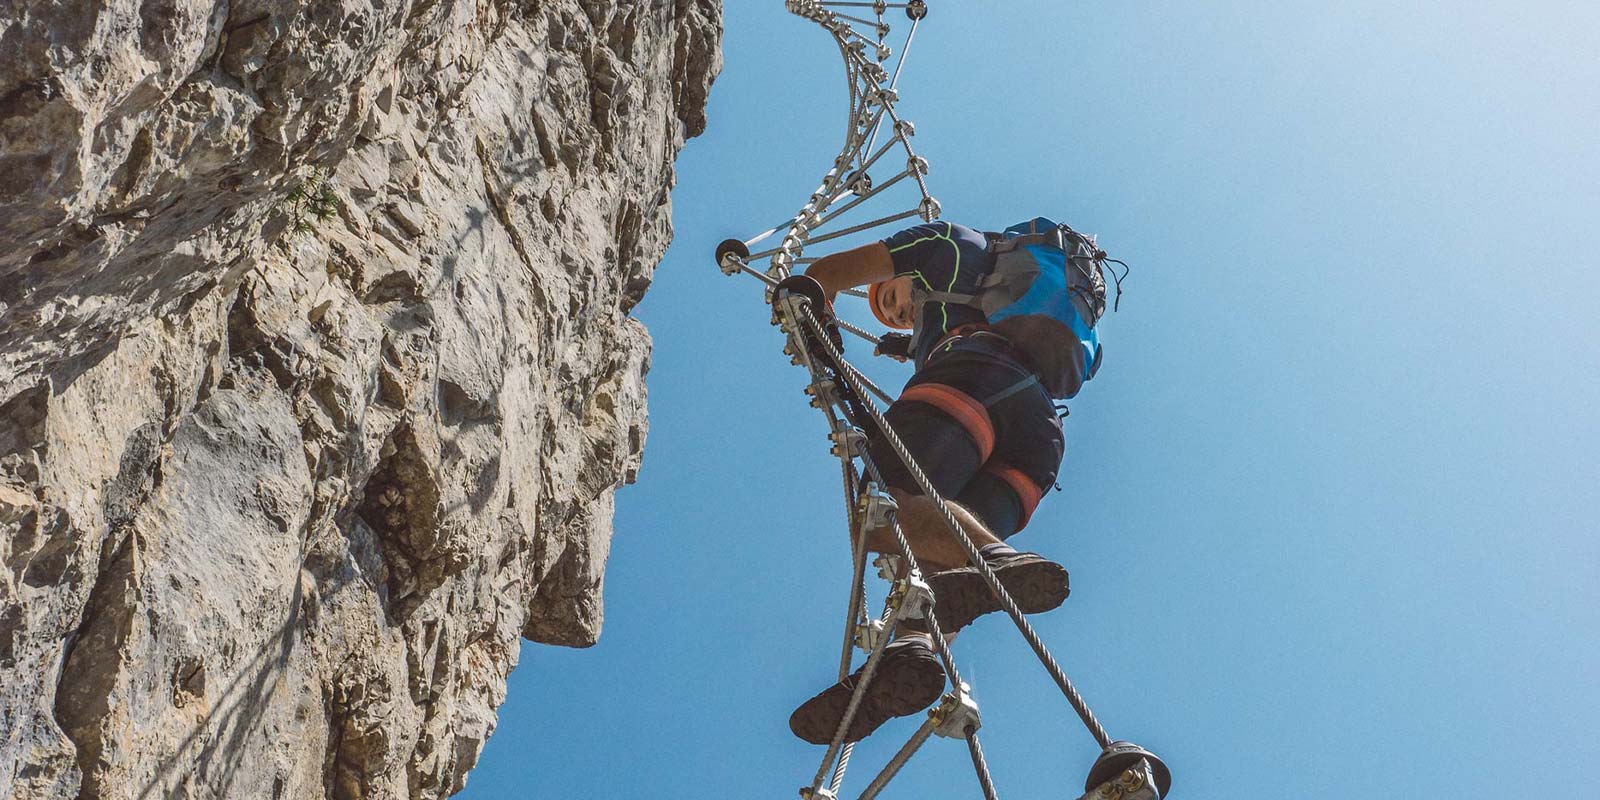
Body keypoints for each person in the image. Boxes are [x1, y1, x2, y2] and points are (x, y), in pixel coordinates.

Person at [778, 218, 1110, 744]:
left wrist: (809, 307)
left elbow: (826, 275)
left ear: (910, 274)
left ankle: (996, 562)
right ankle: (912, 648)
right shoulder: (981, 294)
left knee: (884, 510)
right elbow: (934, 320)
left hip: (976, 377)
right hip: (1038, 437)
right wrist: (909, 342)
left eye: (893, 298)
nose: (901, 313)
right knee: (934, 569)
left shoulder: (948, 242)